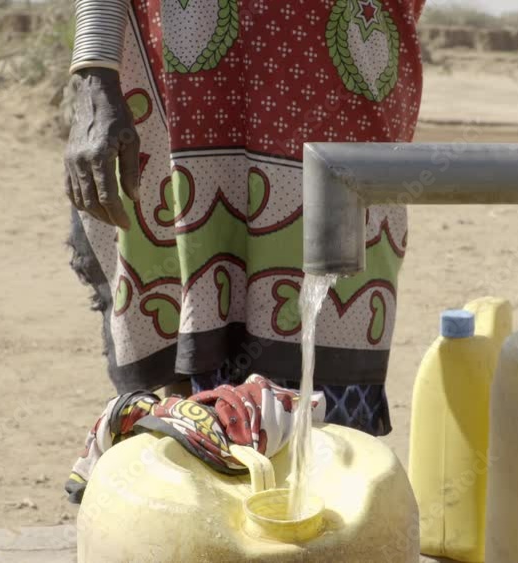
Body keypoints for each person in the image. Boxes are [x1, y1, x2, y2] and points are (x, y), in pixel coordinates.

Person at [64, 0, 424, 436]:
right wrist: (94, 73)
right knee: (180, 418)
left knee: (327, 414)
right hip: (177, 87)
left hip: (339, 78)